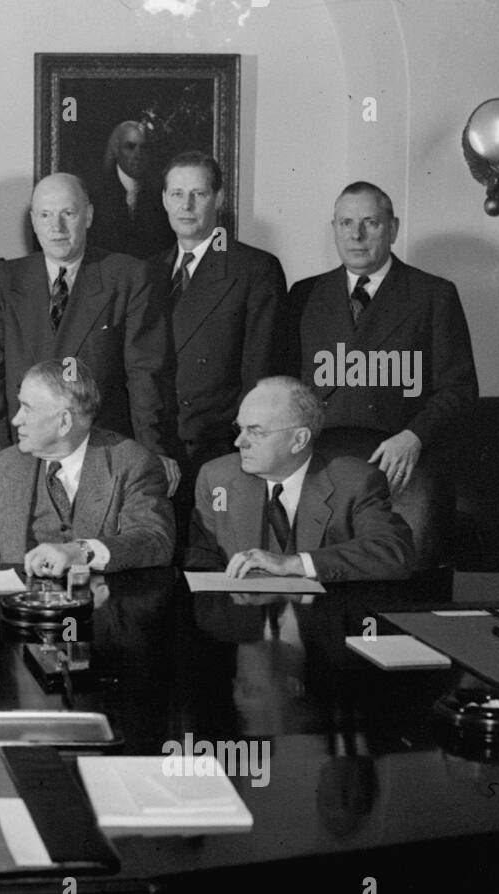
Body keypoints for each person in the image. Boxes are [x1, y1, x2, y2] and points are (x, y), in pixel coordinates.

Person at [288, 181, 479, 566]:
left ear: (392, 228)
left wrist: (414, 438)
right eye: (346, 223)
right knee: (315, 581)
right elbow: (287, 389)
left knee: (398, 581)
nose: (356, 235)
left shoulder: (432, 294)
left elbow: (459, 389)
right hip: (322, 465)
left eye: (370, 223)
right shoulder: (305, 294)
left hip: (401, 466)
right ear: (334, 230)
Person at [0, 172, 178, 495]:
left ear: (89, 216)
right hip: (24, 454)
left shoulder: (127, 276)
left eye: (68, 213)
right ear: (33, 221)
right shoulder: (0, 281)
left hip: (101, 454)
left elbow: (144, 374)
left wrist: (152, 449)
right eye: (46, 215)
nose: (57, 227)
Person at [159, 151, 288, 530]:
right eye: (177, 193)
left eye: (198, 193)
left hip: (219, 450)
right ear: (164, 199)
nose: (186, 205)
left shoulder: (253, 268)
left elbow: (260, 370)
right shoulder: (146, 271)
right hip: (157, 451)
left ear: (219, 199)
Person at [185, 376, 414, 581]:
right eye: (240, 428)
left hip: (326, 620)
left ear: (299, 440)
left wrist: (293, 564)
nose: (239, 442)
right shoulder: (218, 478)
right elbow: (201, 559)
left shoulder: (354, 481)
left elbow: (393, 552)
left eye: (255, 432)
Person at [0, 359, 174, 576]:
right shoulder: (4, 465)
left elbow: (155, 541)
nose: (16, 420)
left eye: (27, 409)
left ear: (64, 422)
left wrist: (81, 552)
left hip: (98, 603)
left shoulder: (131, 463)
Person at [85, 120, 175, 261]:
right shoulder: (95, 194)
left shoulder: (160, 195)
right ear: (116, 149)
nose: (137, 155)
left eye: (144, 147)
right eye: (130, 146)